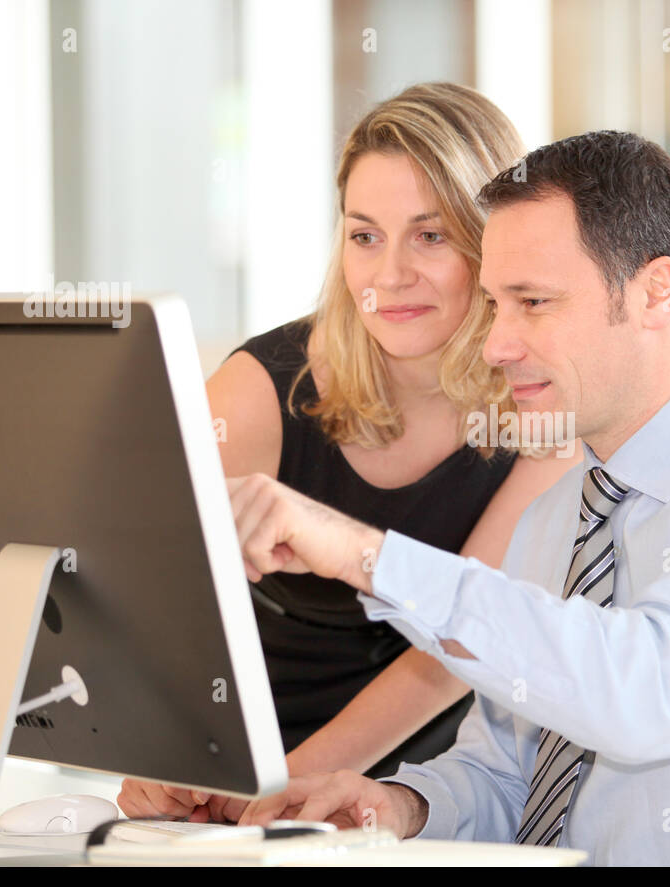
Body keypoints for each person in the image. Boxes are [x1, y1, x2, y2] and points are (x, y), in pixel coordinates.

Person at [227, 130, 670, 865]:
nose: (497, 344)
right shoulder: (559, 517)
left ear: (657, 292)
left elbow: (644, 692)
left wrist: (365, 555)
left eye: (534, 302)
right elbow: (505, 775)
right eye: (496, 305)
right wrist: (396, 805)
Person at [116, 83, 578, 823]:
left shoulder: (542, 409)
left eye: (430, 236)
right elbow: (148, 602)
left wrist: (289, 787)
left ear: (492, 242)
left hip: (428, 794)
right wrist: (167, 758)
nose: (389, 276)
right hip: (233, 767)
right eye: (365, 236)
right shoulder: (257, 392)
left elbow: (459, 647)